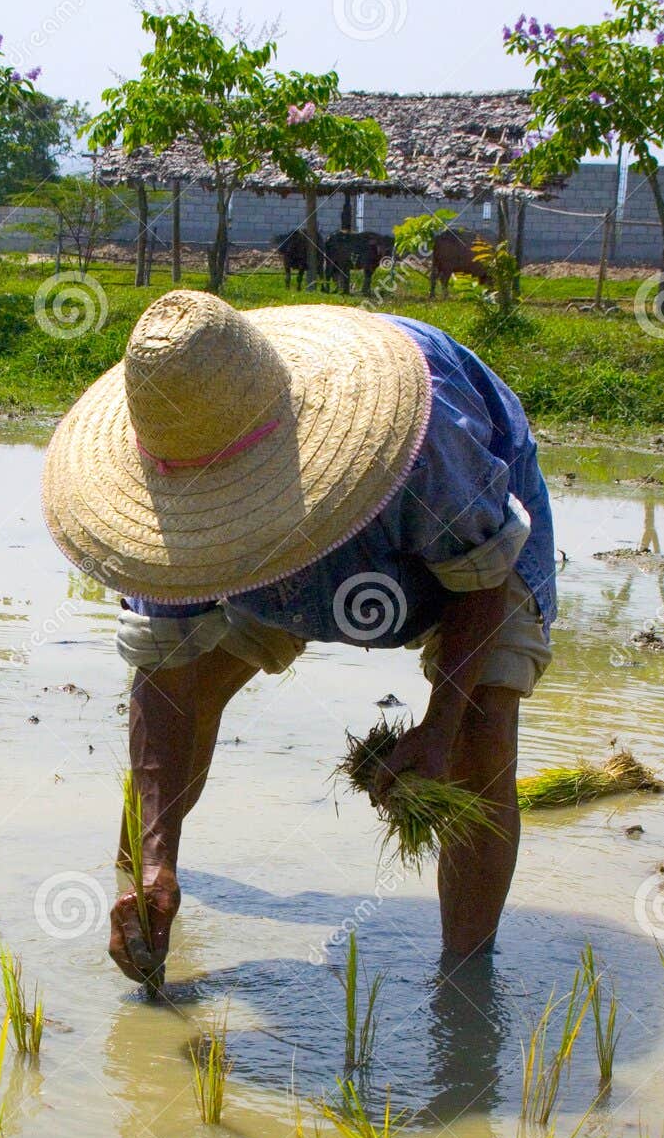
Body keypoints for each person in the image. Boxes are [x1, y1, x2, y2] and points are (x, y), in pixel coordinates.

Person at [42, 289, 555, 985]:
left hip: (439, 552)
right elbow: (162, 684)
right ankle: (145, 892)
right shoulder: (160, 506)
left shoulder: (425, 432)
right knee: (187, 694)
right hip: (271, 570)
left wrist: (438, 727)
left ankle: (465, 982)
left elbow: (481, 573)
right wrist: (153, 854)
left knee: (480, 735)